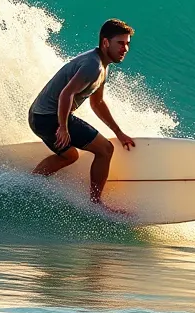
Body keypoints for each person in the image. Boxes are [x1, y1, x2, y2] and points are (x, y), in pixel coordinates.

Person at [27, 19, 136, 207]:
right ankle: (96, 203)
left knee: (70, 156)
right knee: (105, 150)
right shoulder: (93, 66)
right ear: (105, 42)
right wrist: (63, 127)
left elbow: (97, 103)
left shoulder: (102, 66)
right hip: (48, 117)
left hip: (38, 116)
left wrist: (119, 132)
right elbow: (66, 94)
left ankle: (30, 184)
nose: (125, 48)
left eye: (127, 44)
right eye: (120, 43)